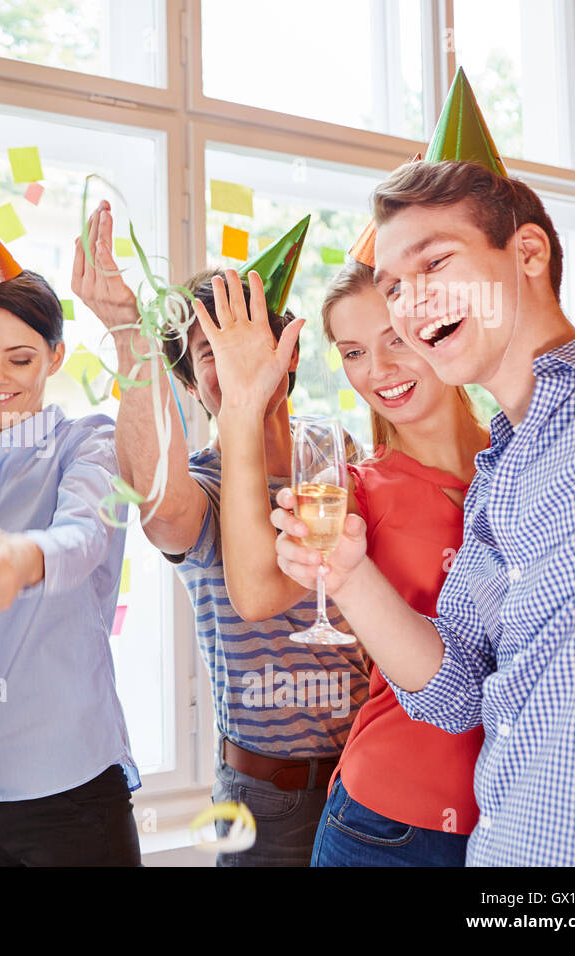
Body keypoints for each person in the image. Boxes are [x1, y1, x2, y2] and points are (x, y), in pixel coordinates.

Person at [270, 156, 575, 865]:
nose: (411, 305)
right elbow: (455, 694)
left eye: (435, 263)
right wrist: (349, 576)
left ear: (527, 252)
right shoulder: (493, 487)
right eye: (394, 289)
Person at [73, 202, 368, 866]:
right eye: (211, 352)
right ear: (190, 380)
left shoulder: (335, 451)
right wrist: (130, 336)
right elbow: (157, 501)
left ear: (285, 351)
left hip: (369, 776)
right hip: (267, 800)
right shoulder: (203, 486)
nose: (236, 363)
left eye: (251, 341)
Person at [202, 247, 489, 864]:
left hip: (521, 821)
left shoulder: (524, 462)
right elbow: (254, 594)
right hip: (387, 828)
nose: (378, 369)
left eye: (395, 338)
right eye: (353, 352)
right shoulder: (358, 492)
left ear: (440, 325)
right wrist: (243, 408)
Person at [0, 195, 140, 867]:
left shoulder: (88, 442)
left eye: (19, 358)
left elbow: (81, 540)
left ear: (55, 357)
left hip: (68, 785)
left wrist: (20, 560)